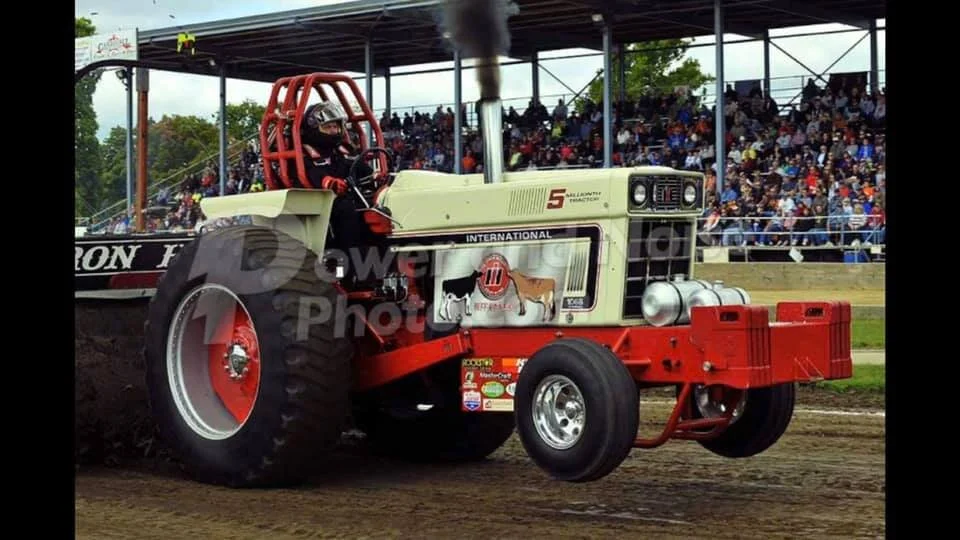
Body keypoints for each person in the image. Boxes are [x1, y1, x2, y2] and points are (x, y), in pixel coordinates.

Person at [299, 100, 382, 255]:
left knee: (379, 205)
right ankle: (351, 263)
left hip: (350, 195)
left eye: (335, 126)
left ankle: (379, 258)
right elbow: (311, 173)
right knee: (346, 210)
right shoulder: (305, 153)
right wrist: (329, 182)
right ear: (314, 128)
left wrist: (376, 176)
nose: (333, 131)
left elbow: (357, 166)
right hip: (321, 200)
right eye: (328, 127)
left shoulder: (341, 149)